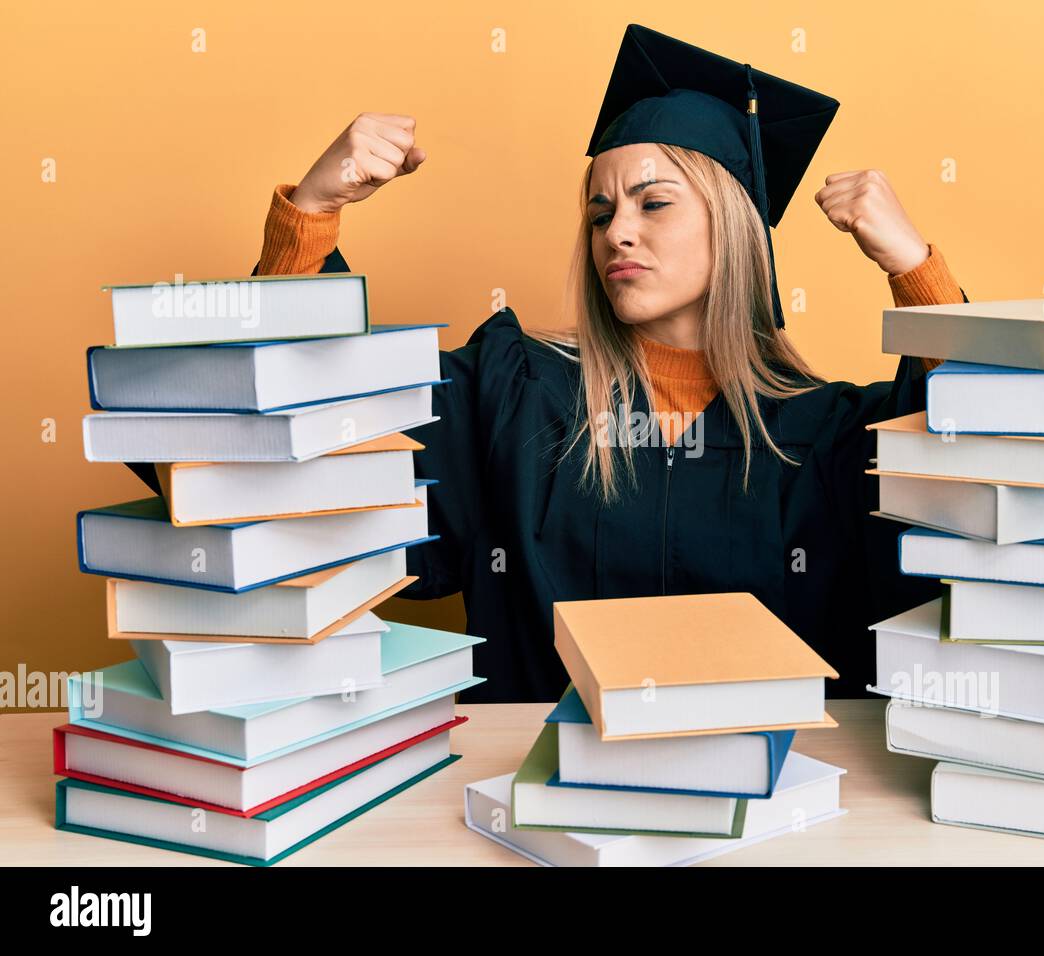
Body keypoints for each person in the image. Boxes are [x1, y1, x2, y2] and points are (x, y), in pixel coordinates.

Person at [132, 25, 968, 703]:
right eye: (600, 212)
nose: (618, 233)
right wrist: (312, 214)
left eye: (654, 202)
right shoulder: (516, 392)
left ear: (735, 224)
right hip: (529, 797)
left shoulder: (822, 434)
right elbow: (292, 435)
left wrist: (914, 268)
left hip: (775, 807)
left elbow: (988, 483)